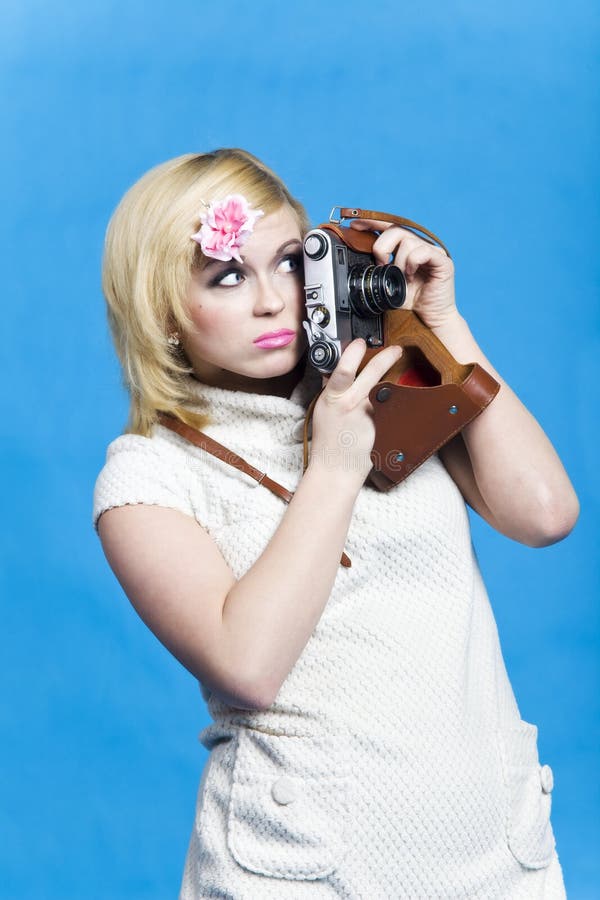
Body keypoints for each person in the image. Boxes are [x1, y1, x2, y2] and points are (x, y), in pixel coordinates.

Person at [93, 147, 579, 899]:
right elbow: (247, 666)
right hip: (301, 871)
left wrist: (440, 326)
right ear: (160, 310)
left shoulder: (387, 384)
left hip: (494, 856)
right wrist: (335, 466)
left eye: (291, 264)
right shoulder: (148, 473)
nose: (272, 301)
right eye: (228, 275)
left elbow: (546, 514)